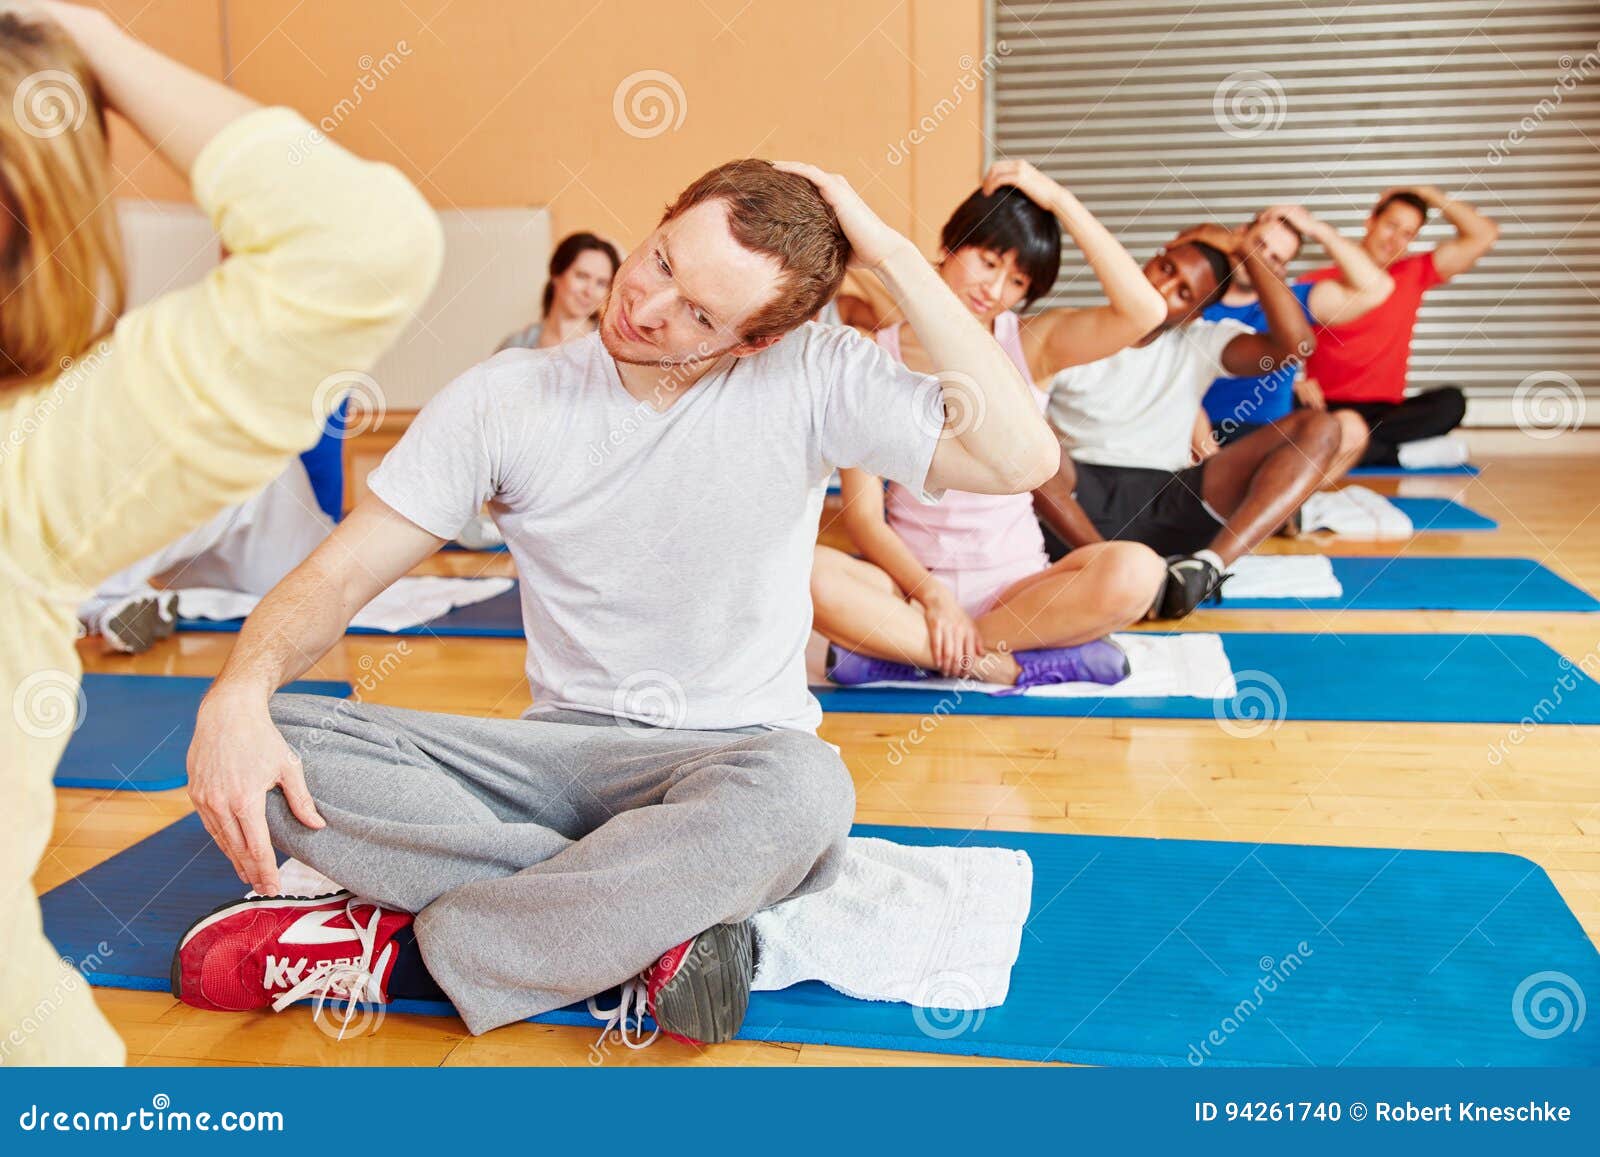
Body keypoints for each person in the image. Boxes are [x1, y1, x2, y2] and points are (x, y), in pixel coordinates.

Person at [175, 159, 1061, 1047]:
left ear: (754, 341)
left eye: (702, 315)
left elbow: (1021, 459)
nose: (647, 307)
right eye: (663, 260)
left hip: (738, 762)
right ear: (663, 215)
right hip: (553, 764)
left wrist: (896, 255)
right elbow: (335, 576)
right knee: (282, 733)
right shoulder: (506, 396)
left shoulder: (815, 373)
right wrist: (237, 697)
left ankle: (408, 953)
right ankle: (660, 917)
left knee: (808, 794)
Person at [1, 2, 441, 1066]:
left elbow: (359, 250)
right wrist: (80, 38)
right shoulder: (32, 466)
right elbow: (360, 250)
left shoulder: (29, 459)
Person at [812, 159, 1167, 688]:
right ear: (954, 243)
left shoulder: (1030, 344)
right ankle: (996, 664)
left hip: (1017, 589)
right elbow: (864, 520)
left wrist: (1059, 198)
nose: (995, 288)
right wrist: (933, 598)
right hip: (909, 587)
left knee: (1139, 571)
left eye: (1018, 280)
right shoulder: (871, 356)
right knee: (802, 569)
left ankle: (916, 655)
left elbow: (1144, 312)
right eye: (989, 260)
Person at [1035, 223, 1340, 618]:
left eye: (1183, 293)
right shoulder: (1071, 329)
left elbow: (1297, 346)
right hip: (1076, 507)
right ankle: (1103, 566)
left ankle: (1205, 569)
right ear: (1151, 260)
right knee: (1030, 441)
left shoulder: (1201, 340)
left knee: (1320, 427)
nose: (1163, 290)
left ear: (1195, 313)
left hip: (1170, 503)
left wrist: (1247, 248)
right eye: (1165, 269)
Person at [1301, 186, 1498, 465]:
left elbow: (1484, 234)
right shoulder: (1316, 281)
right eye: (1391, 226)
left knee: (1451, 402)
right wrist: (1296, 381)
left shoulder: (1414, 272)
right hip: (1325, 407)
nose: (1395, 240)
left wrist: (1429, 194)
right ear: (1370, 221)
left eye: (1408, 234)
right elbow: (1273, 338)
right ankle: (1398, 454)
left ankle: (1345, 448)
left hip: (1385, 414)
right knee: (1284, 418)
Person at [1202, 204, 1390, 481]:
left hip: (1269, 441)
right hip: (1197, 435)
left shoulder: (1294, 302)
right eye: (1259, 244)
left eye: (1275, 258)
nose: (1261, 259)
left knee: (1351, 428)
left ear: (1283, 269)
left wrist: (1316, 229)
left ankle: (1288, 501)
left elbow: (1376, 289)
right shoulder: (1195, 296)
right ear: (1240, 235)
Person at [77, 459, 333, 653]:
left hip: (282, 544)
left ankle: (93, 596)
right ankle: (101, 597)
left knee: (239, 459)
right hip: (197, 558)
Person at [497, 232, 621, 351]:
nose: (589, 291)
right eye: (582, 276)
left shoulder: (614, 348)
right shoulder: (515, 346)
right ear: (556, 272)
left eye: (601, 283)